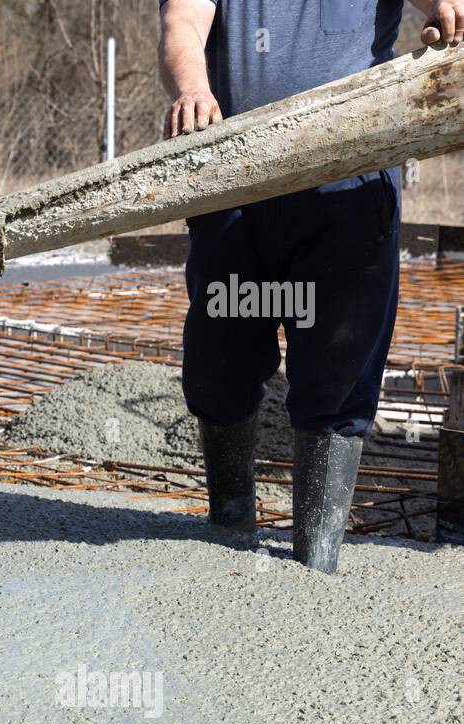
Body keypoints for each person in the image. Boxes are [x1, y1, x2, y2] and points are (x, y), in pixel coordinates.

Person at [158, 0, 463, 571]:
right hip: (232, 183)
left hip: (348, 194)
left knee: (339, 372)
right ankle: (229, 526)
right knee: (220, 359)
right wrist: (191, 89)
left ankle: (316, 562)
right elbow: (182, 22)